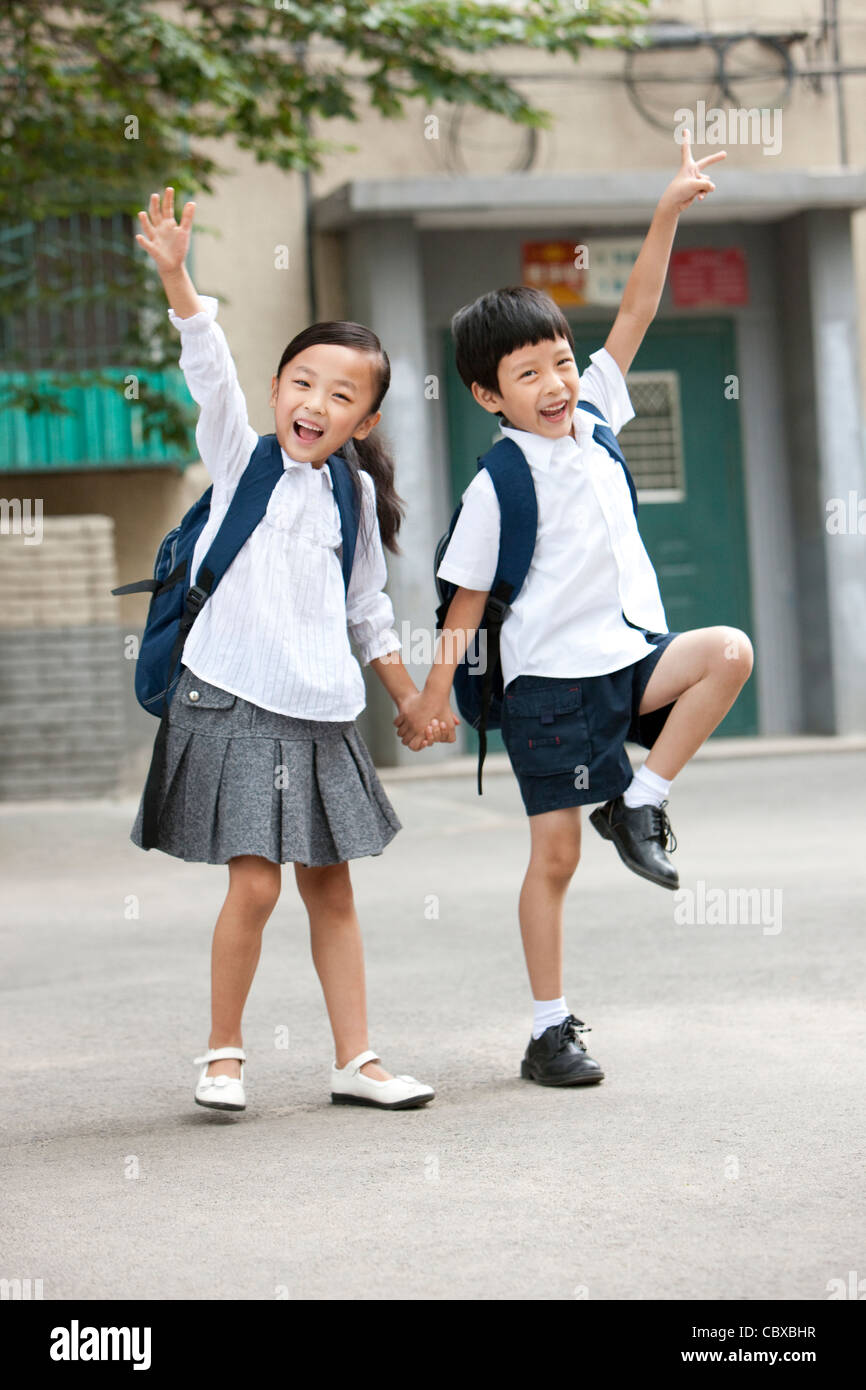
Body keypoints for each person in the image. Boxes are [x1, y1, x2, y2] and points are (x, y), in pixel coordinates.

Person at [395, 137, 754, 1087]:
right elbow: (465, 601)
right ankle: (549, 1030)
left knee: (729, 651)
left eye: (559, 361)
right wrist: (435, 697)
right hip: (550, 687)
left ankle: (639, 803)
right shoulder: (498, 480)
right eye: (529, 374)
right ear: (487, 394)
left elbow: (635, 307)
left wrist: (669, 207)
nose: (555, 383)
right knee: (552, 858)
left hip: (629, 654)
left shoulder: (595, 415)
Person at [129, 188, 456, 1114]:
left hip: (321, 708)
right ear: (278, 391)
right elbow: (210, 371)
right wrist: (178, 278)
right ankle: (223, 1056)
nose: (316, 401)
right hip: (230, 695)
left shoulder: (351, 497)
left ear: (367, 419)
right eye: (303, 382)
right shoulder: (242, 458)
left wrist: (407, 699)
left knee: (333, 890)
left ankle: (357, 1061)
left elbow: (368, 613)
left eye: (342, 394)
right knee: (257, 884)